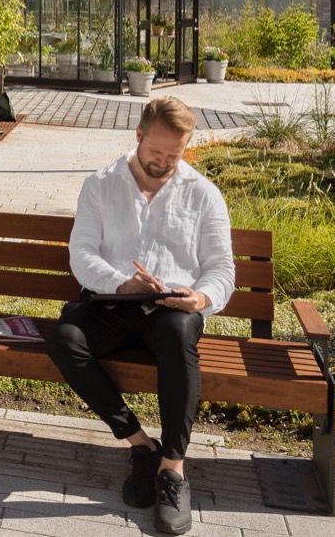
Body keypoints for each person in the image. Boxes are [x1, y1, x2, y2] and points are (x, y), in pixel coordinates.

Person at [45, 95, 234, 537]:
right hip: (113, 302)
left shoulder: (204, 193)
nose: (164, 163)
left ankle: (172, 469)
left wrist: (201, 298)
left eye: (175, 154)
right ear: (138, 135)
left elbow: (222, 268)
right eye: (156, 153)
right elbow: (83, 254)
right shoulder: (101, 184)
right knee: (65, 339)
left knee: (177, 334)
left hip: (171, 311)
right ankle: (139, 445)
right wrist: (121, 283)